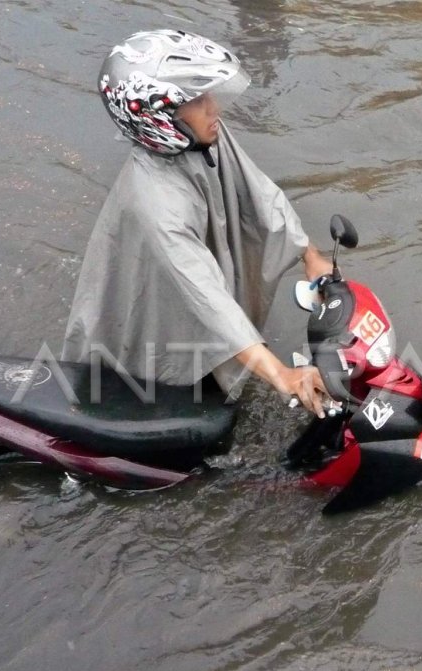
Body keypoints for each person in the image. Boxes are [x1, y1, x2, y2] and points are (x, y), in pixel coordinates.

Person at [61, 29, 334, 417]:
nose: (214, 109)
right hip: (149, 317)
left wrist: (309, 254)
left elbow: (257, 193)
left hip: (187, 283)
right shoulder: (156, 203)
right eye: (197, 100)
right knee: (153, 377)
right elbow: (206, 298)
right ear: (157, 116)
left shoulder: (200, 137)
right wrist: (282, 375)